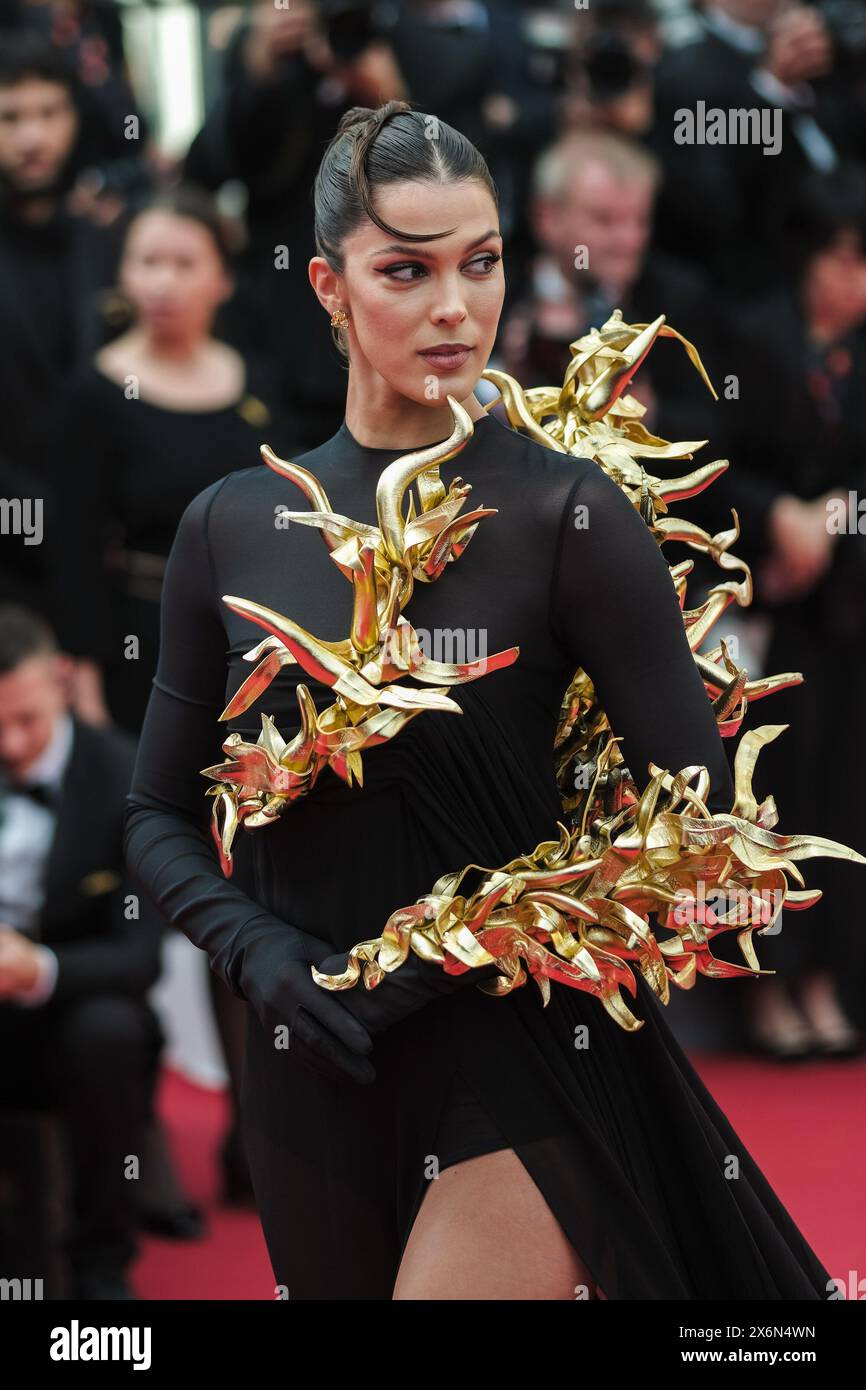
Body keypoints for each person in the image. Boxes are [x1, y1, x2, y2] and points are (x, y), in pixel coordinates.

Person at [123, 102, 838, 1299]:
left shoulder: (567, 516)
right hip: (310, 1053)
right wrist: (256, 952)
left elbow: (697, 816)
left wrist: (462, 945)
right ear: (327, 286)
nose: (455, 305)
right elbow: (153, 814)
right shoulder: (229, 526)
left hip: (522, 1046)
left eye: (481, 261)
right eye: (405, 268)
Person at [702, 163, 866, 1060]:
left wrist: (834, 518)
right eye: (845, 259)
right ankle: (764, 986)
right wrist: (778, 520)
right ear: (811, 257)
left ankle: (829, 979)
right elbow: (710, 457)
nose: (856, 282)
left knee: (841, 801)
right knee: (759, 802)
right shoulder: (752, 339)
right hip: (757, 604)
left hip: (843, 614)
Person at [44, 184, 292, 736]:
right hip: (144, 641)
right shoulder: (95, 392)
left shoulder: (257, 382)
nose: (163, 281)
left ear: (222, 279)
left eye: (184, 263)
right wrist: (87, 694)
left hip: (254, 636)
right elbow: (75, 551)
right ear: (124, 272)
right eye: (148, 261)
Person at [0, 603, 164, 1299]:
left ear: (63, 682)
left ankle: (101, 1261)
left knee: (110, 1032)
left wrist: (37, 970)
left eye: (26, 721)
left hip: (72, 1010)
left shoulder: (127, 776)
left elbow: (141, 957)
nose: (9, 744)